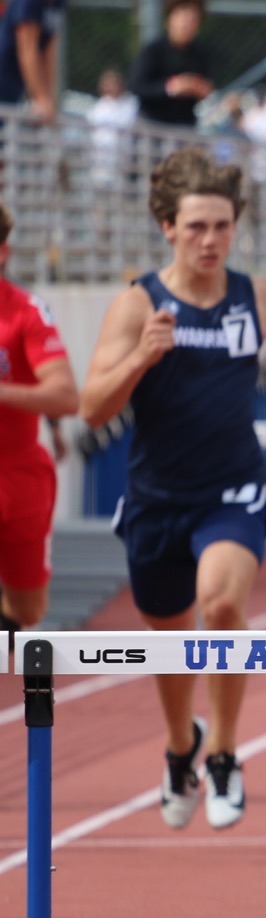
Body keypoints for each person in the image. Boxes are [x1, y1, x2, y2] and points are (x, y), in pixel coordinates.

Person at [78, 147, 266, 833]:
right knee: (170, 640)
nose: (211, 241)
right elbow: (92, 409)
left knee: (220, 609)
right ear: (168, 227)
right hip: (157, 497)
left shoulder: (258, 295)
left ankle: (221, 750)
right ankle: (178, 744)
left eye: (222, 226)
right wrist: (142, 356)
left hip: (233, 488)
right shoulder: (139, 304)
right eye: (196, 228)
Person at [0, 200, 78, 642]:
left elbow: (66, 395)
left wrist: (53, 427)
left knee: (28, 609)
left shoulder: (26, 312)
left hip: (20, 473)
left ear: (2, 253)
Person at [0, 0, 73, 120]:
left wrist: (49, 98)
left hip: (12, 83)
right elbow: (27, 50)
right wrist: (40, 98)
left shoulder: (57, 0)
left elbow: (48, 51)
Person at [128, 0, 215, 128]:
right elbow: (137, 86)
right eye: (183, 18)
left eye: (193, 20)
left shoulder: (200, 53)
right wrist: (171, 87)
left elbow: (207, 88)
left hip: (184, 124)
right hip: (153, 124)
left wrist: (199, 88)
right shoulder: (153, 51)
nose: (187, 25)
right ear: (169, 20)